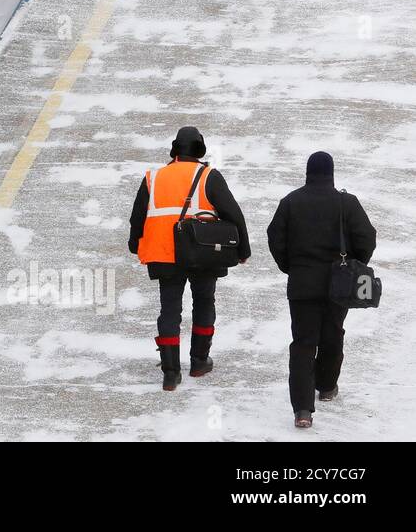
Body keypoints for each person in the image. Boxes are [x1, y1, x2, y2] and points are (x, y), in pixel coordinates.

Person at [128, 126, 251, 390]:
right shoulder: (208, 176)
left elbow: (137, 217)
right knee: (204, 302)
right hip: (202, 254)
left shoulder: (153, 177)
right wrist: (243, 251)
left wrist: (133, 243)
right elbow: (234, 214)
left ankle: (171, 373)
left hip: (164, 254)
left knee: (170, 309)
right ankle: (199, 362)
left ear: (175, 150)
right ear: (199, 150)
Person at [266, 151, 375, 429]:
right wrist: (354, 264)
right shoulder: (346, 202)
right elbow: (367, 237)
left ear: (307, 172)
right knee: (333, 333)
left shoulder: (290, 202)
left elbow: (274, 237)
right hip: (338, 283)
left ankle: (303, 409)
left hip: (302, 283)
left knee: (303, 343)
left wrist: (290, 266)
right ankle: (326, 387)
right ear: (331, 173)